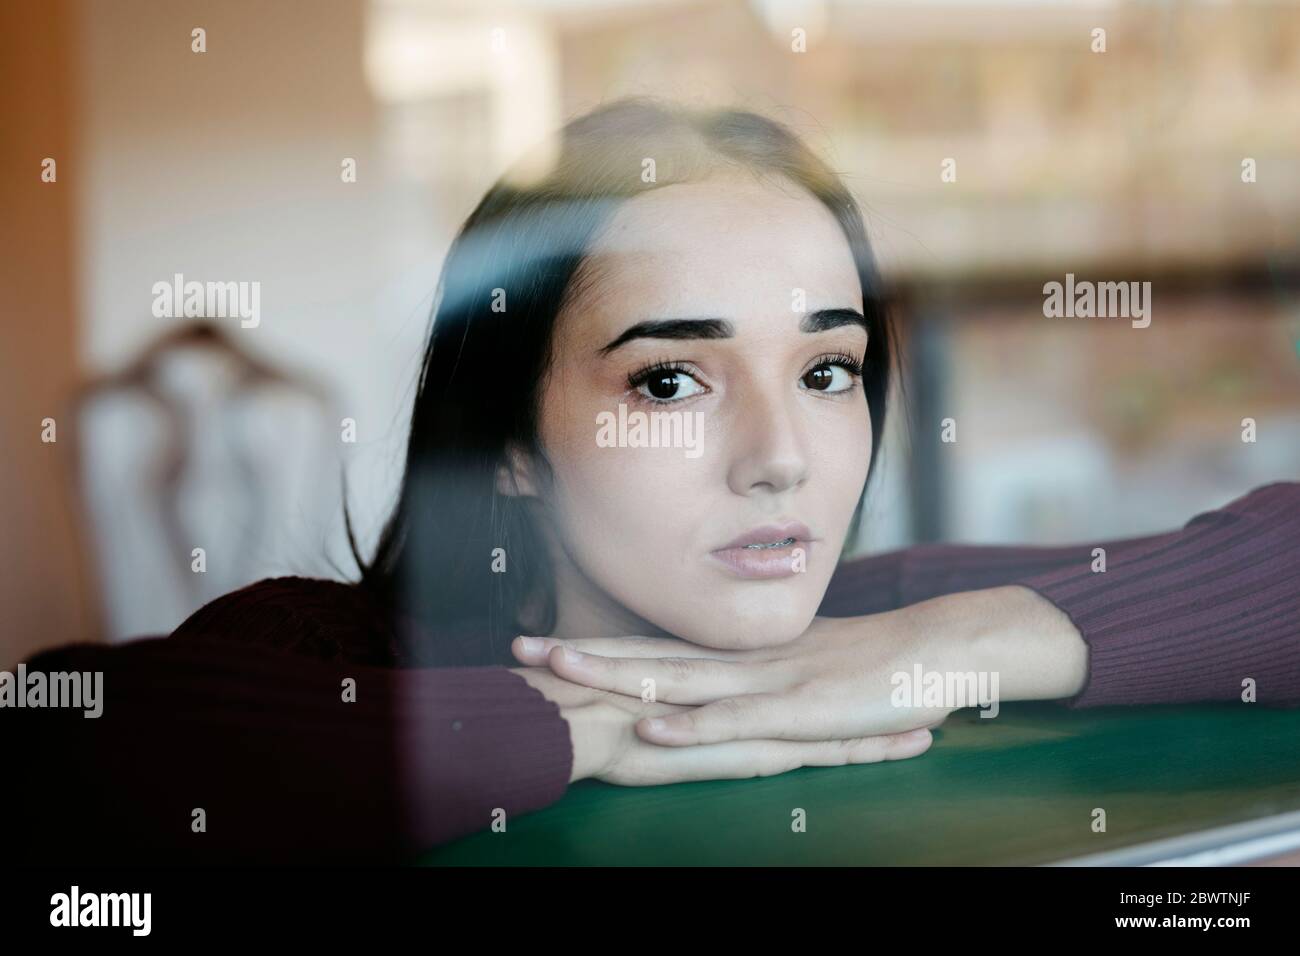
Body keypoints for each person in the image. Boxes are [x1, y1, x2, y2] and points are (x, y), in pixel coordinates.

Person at [12, 99, 1299, 864]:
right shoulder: (325, 657)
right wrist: (602, 723)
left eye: (828, 369)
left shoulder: (874, 620)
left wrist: (961, 638)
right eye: (670, 381)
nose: (781, 457)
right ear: (511, 434)